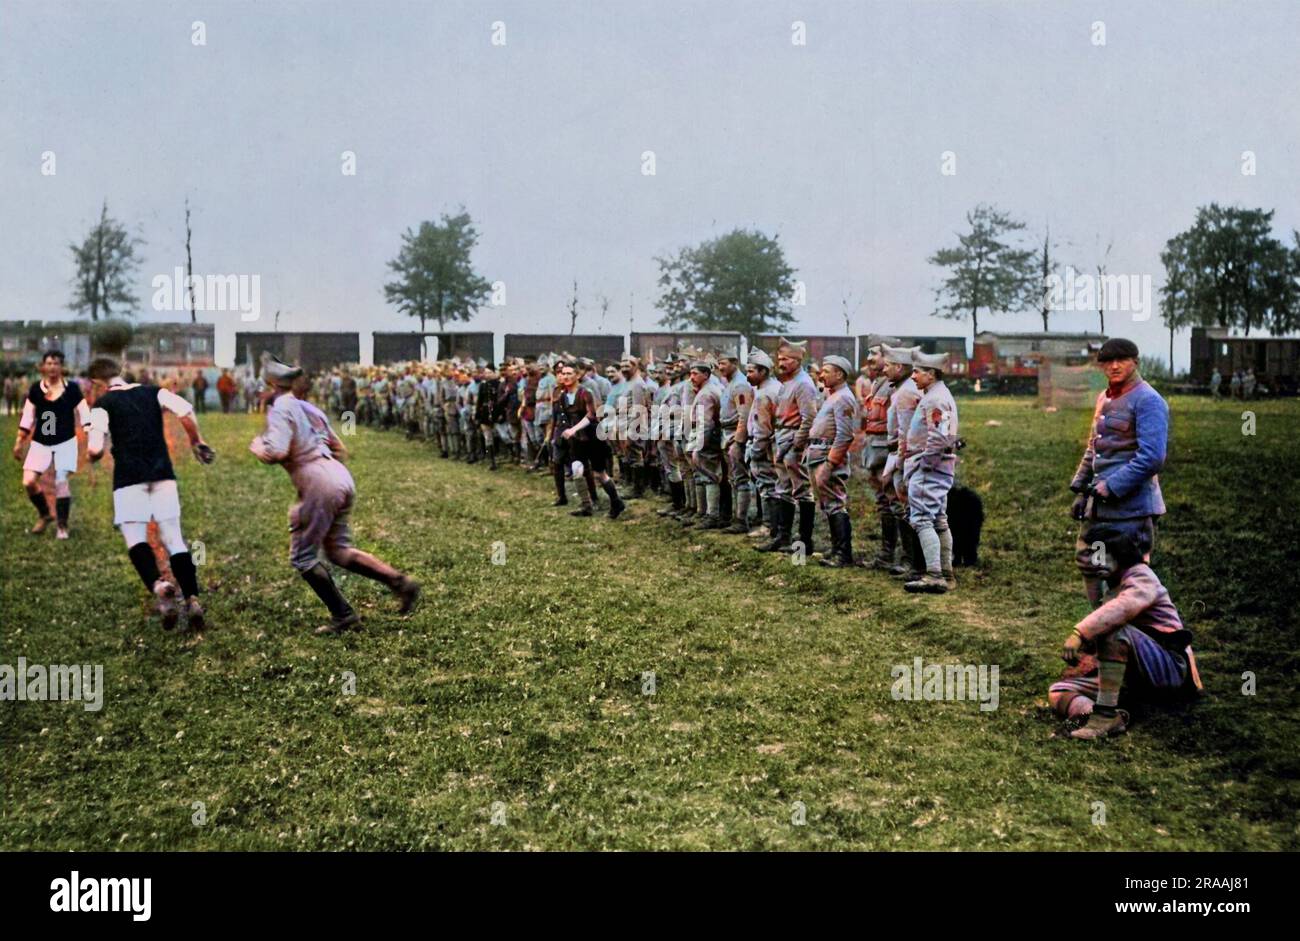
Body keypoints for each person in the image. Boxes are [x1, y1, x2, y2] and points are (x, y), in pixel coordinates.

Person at [250, 359, 419, 635]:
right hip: (338, 475)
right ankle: (400, 583)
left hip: (319, 481)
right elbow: (339, 448)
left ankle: (344, 616)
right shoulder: (309, 408)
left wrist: (258, 447)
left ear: (271, 385)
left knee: (303, 557)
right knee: (337, 550)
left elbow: (277, 452)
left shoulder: (280, 408)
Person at [86, 356, 214, 632]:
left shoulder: (101, 405)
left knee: (136, 540)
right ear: (120, 372)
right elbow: (186, 411)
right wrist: (196, 442)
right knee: (174, 539)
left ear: (96, 382)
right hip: (162, 474)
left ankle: (160, 586)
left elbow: (95, 449)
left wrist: (92, 455)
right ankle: (192, 598)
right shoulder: (153, 391)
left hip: (128, 479)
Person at [1052, 523, 1202, 739]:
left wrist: (1080, 634)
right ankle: (1093, 714)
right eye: (1095, 555)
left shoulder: (1142, 577)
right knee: (1059, 690)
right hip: (1134, 679)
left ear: (1120, 552)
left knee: (1114, 630)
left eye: (1104, 553)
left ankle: (1102, 718)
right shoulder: (1112, 586)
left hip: (1170, 670)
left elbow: (1121, 609)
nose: (1098, 561)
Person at [1069, 338, 1169, 607]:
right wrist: (1080, 489)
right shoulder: (1104, 398)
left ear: (1135, 362)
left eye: (1121, 360)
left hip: (1132, 507)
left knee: (1128, 574)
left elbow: (1152, 458)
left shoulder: (1149, 400)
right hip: (1099, 505)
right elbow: (1095, 447)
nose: (1114, 366)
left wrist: (1111, 486)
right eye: (1108, 362)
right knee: (1090, 562)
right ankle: (1100, 625)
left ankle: (1125, 638)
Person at [13, 350, 92, 538]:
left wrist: (90, 436)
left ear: (61, 367)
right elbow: (28, 417)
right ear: (43, 367)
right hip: (41, 442)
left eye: (56, 363)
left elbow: (84, 412)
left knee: (61, 480)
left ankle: (62, 526)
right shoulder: (36, 389)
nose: (52, 367)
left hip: (65, 441)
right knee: (29, 481)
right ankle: (45, 514)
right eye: (48, 363)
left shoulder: (71, 388)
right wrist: (19, 441)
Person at [902, 351, 960, 593]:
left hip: (929, 468)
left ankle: (935, 575)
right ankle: (946, 574)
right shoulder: (938, 395)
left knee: (922, 519)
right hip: (938, 467)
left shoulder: (935, 399)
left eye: (918, 371)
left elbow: (939, 437)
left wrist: (924, 464)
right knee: (938, 520)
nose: (913, 376)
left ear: (931, 373)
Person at [757, 339, 818, 554]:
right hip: (782, 438)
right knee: (783, 488)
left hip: (793, 439)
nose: (781, 363)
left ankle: (804, 543)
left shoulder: (803, 384)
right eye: (779, 358)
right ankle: (782, 537)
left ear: (798, 360)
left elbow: (809, 418)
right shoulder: (787, 382)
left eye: (786, 359)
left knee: (802, 489)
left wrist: (798, 445)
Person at [549, 361, 625, 519]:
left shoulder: (585, 392)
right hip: (577, 440)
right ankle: (586, 505)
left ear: (577, 376)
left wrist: (574, 429)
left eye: (570, 373)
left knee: (600, 474)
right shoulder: (562, 396)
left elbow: (591, 415)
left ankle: (616, 502)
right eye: (563, 373)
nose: (566, 376)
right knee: (577, 470)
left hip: (592, 437)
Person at [805, 355, 859, 567]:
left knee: (835, 502)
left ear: (839, 374)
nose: (821, 375)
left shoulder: (843, 398)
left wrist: (829, 464)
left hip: (828, 456)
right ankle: (836, 549)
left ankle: (843, 554)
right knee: (827, 503)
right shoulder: (833, 395)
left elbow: (845, 435)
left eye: (826, 371)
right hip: (818, 453)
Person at [860, 337, 900, 569]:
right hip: (875, 452)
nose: (869, 358)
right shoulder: (878, 384)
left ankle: (906, 559)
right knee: (884, 503)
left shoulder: (895, 386)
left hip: (888, 453)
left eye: (875, 352)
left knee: (896, 503)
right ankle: (887, 555)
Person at [684, 359, 725, 529]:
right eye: (690, 373)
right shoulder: (705, 391)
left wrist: (698, 446)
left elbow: (706, 423)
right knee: (703, 476)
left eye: (695, 374)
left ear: (706, 374)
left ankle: (711, 515)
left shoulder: (706, 394)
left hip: (706, 438)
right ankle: (704, 513)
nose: (691, 377)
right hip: (704, 436)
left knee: (709, 476)